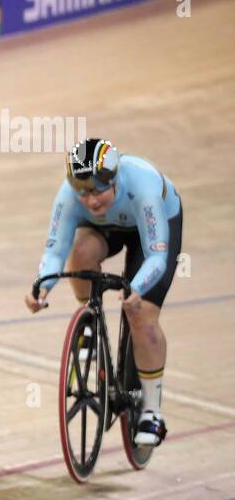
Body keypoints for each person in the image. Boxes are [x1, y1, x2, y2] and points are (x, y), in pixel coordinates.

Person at [27, 139, 181, 447]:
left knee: (141, 314)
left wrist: (136, 290)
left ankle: (152, 411)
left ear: (115, 178)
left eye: (98, 189)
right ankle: (90, 326)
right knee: (80, 251)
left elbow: (156, 257)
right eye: (83, 191)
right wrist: (40, 288)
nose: (91, 200)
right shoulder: (70, 197)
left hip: (149, 235)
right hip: (105, 228)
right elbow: (55, 250)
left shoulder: (142, 184)